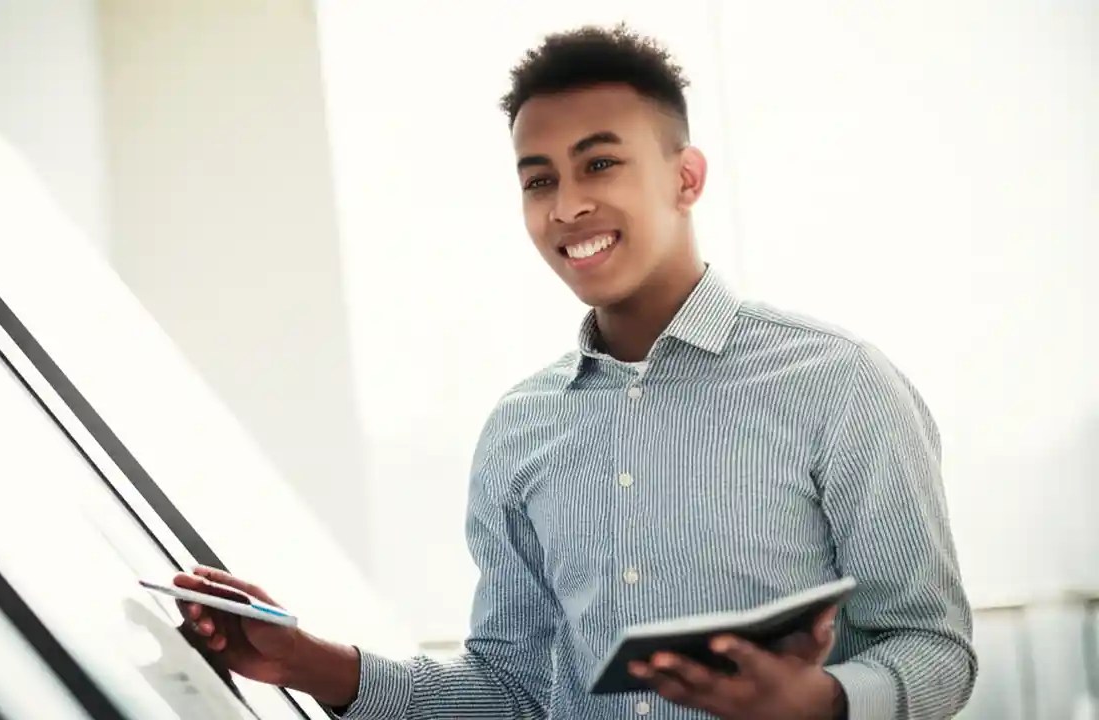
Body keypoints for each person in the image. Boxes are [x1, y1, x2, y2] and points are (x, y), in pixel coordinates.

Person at [173, 24, 977, 720]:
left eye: (599, 165)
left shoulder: (840, 384)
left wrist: (820, 705)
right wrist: (312, 665)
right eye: (540, 179)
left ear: (685, 177)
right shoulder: (519, 429)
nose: (566, 207)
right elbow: (515, 693)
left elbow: (934, 648)